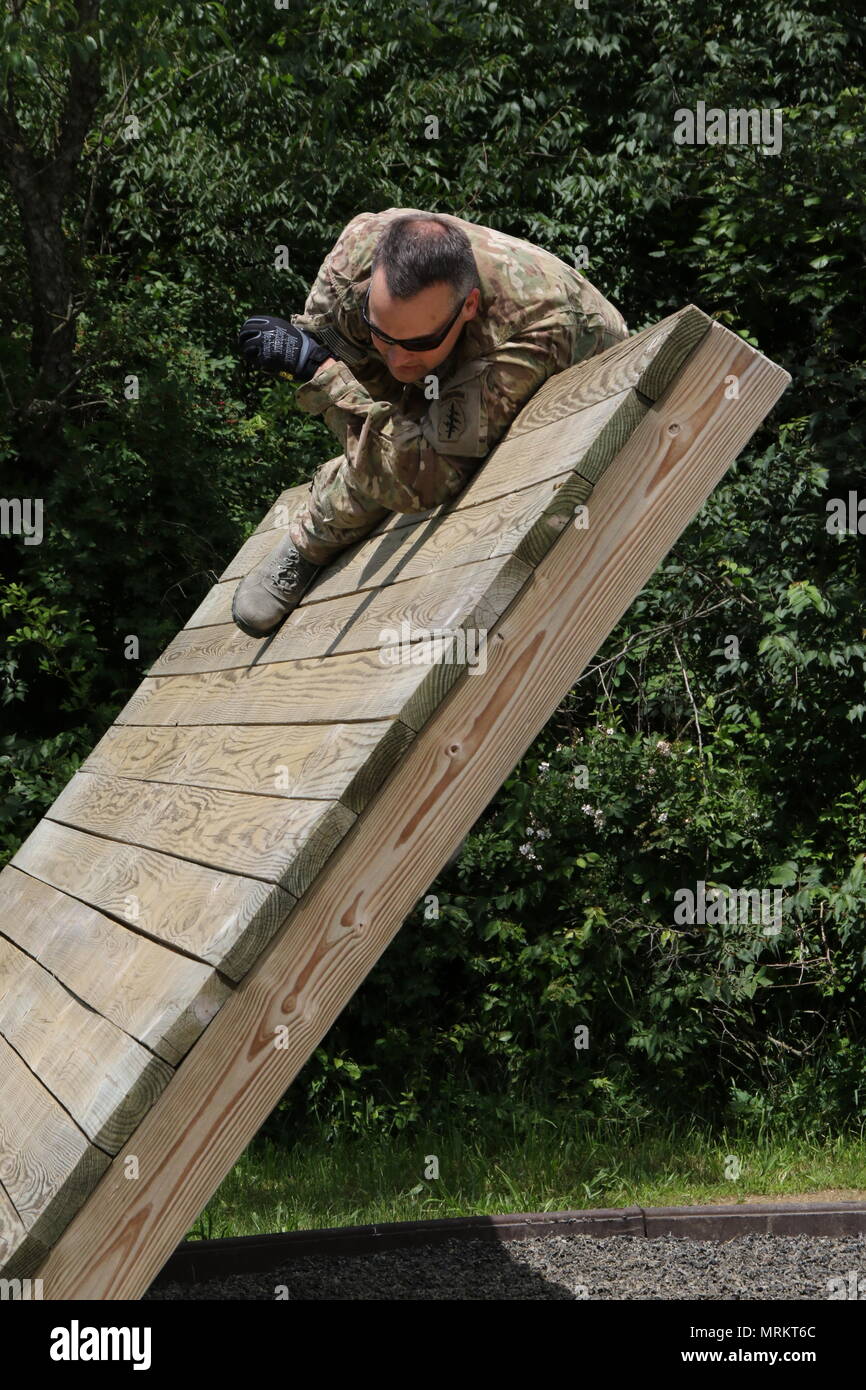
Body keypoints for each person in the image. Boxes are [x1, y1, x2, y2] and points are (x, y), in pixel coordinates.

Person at [232, 207, 628, 637]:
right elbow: (352, 359)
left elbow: (423, 479)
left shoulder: (538, 326)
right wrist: (318, 361)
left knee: (410, 464)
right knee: (387, 447)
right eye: (383, 334)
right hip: (445, 348)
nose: (399, 358)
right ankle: (322, 524)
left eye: (417, 343)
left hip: (549, 374)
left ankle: (312, 535)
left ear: (467, 307)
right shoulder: (354, 261)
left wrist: (326, 379)